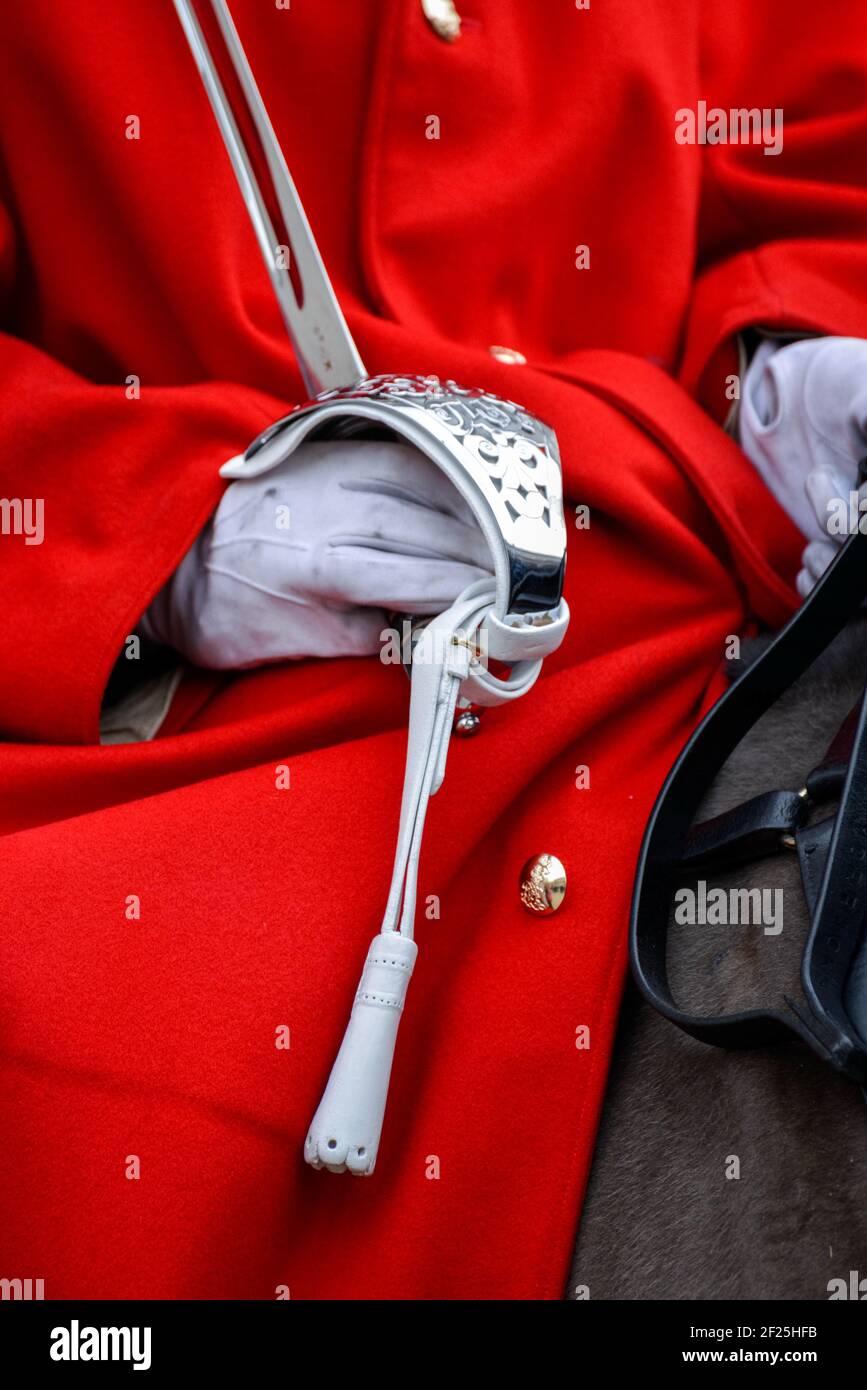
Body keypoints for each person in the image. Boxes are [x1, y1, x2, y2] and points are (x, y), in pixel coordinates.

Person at [0, 0, 865, 1300]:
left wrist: (782, 352)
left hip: (692, 566)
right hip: (217, 694)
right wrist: (153, 541)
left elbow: (804, 135)